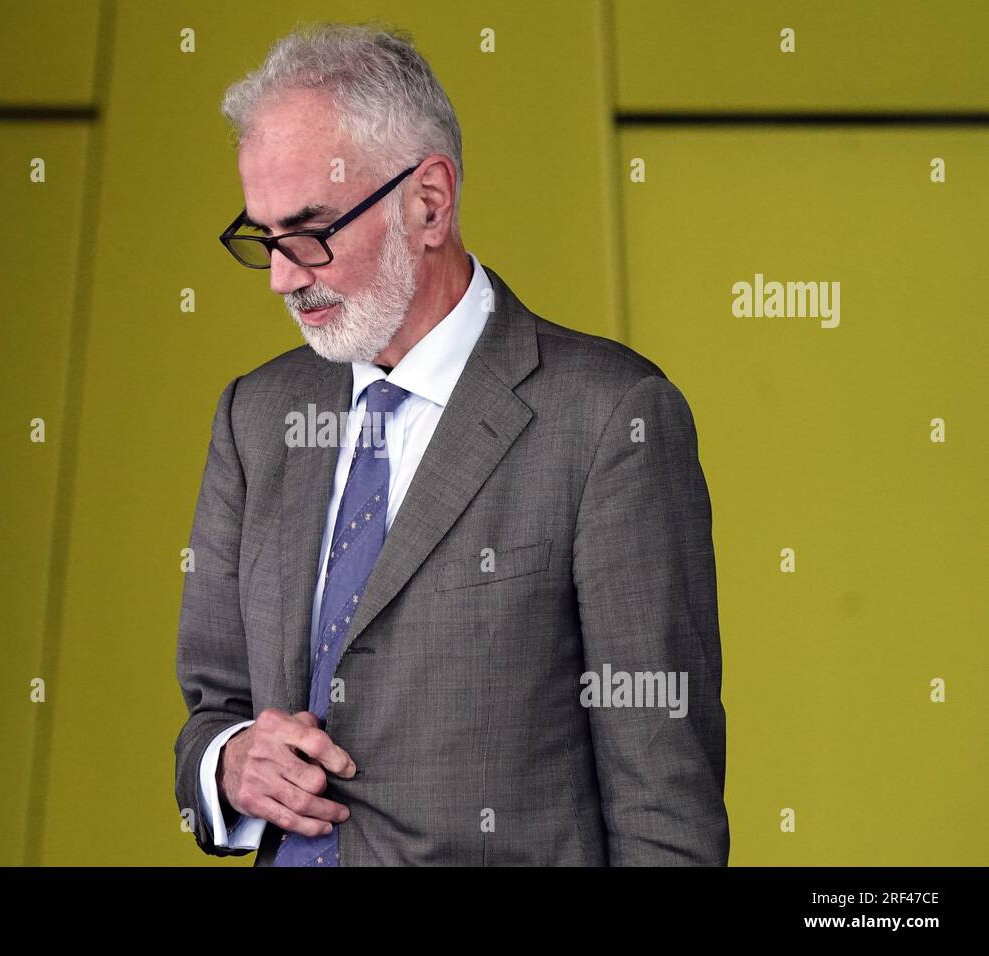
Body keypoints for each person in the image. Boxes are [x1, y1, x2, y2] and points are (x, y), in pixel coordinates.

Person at [174, 22, 729, 866]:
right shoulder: (257, 416)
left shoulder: (611, 419)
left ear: (429, 202)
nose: (284, 276)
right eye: (262, 238)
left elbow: (663, 808)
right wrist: (229, 763)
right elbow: (212, 709)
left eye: (310, 229)